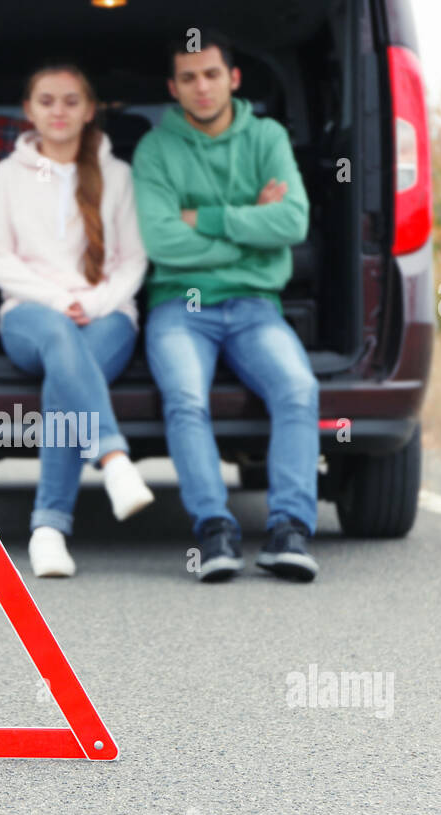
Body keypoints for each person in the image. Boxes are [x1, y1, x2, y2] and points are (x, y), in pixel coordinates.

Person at [132, 30, 320, 583]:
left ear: (233, 79)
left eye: (212, 74)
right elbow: (162, 241)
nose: (202, 87)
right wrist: (248, 225)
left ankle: (288, 529)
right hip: (180, 306)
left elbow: (292, 222)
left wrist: (205, 218)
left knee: (298, 388)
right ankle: (215, 530)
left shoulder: (266, 138)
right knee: (186, 397)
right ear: (174, 88)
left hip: (256, 304)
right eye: (188, 78)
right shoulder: (155, 149)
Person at [0, 62, 154, 578]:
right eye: (48, 100)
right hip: (31, 314)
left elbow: (133, 260)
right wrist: (59, 300)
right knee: (58, 339)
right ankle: (113, 459)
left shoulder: (117, 174)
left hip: (108, 316)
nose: (59, 111)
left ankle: (48, 531)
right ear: (29, 110)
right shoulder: (8, 175)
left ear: (90, 109)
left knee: (65, 381)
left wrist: (96, 304)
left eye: (72, 101)